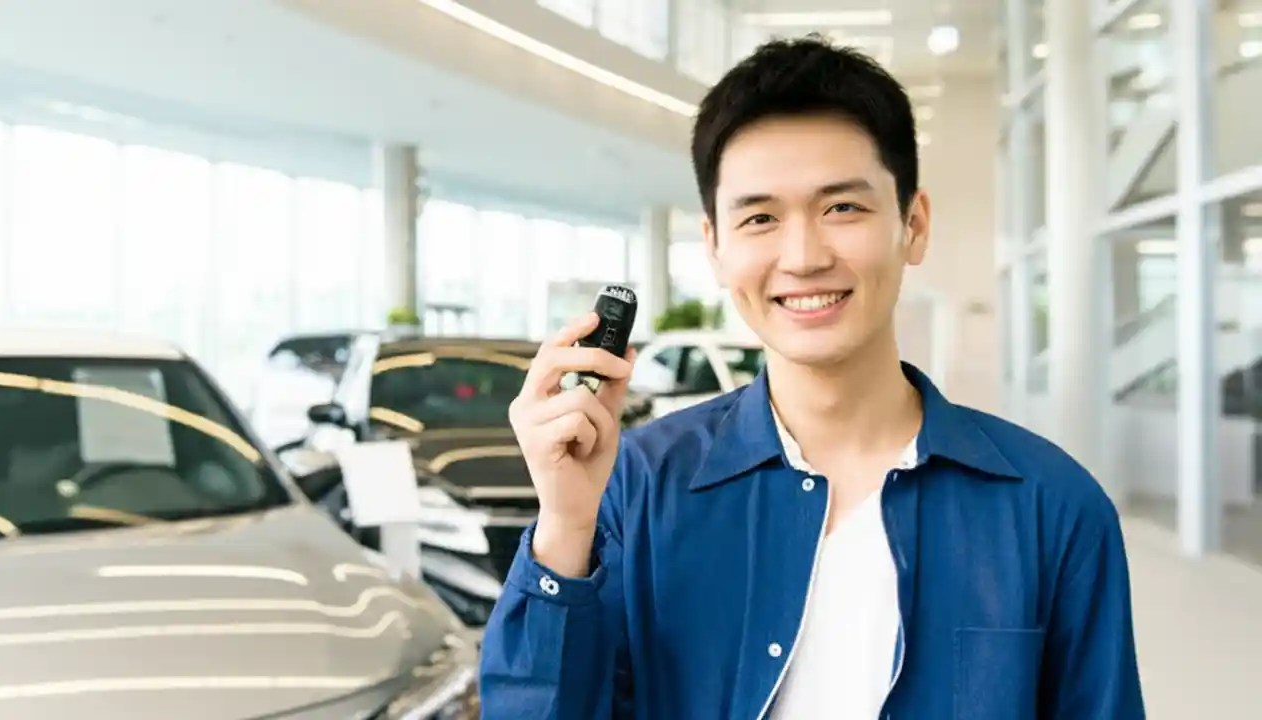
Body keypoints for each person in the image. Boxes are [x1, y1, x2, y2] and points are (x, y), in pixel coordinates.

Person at [480, 36, 1145, 719]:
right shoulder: (641, 486)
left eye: (842, 208)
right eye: (761, 218)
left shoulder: (1052, 506)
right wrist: (565, 522)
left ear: (912, 225)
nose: (801, 257)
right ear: (715, 247)